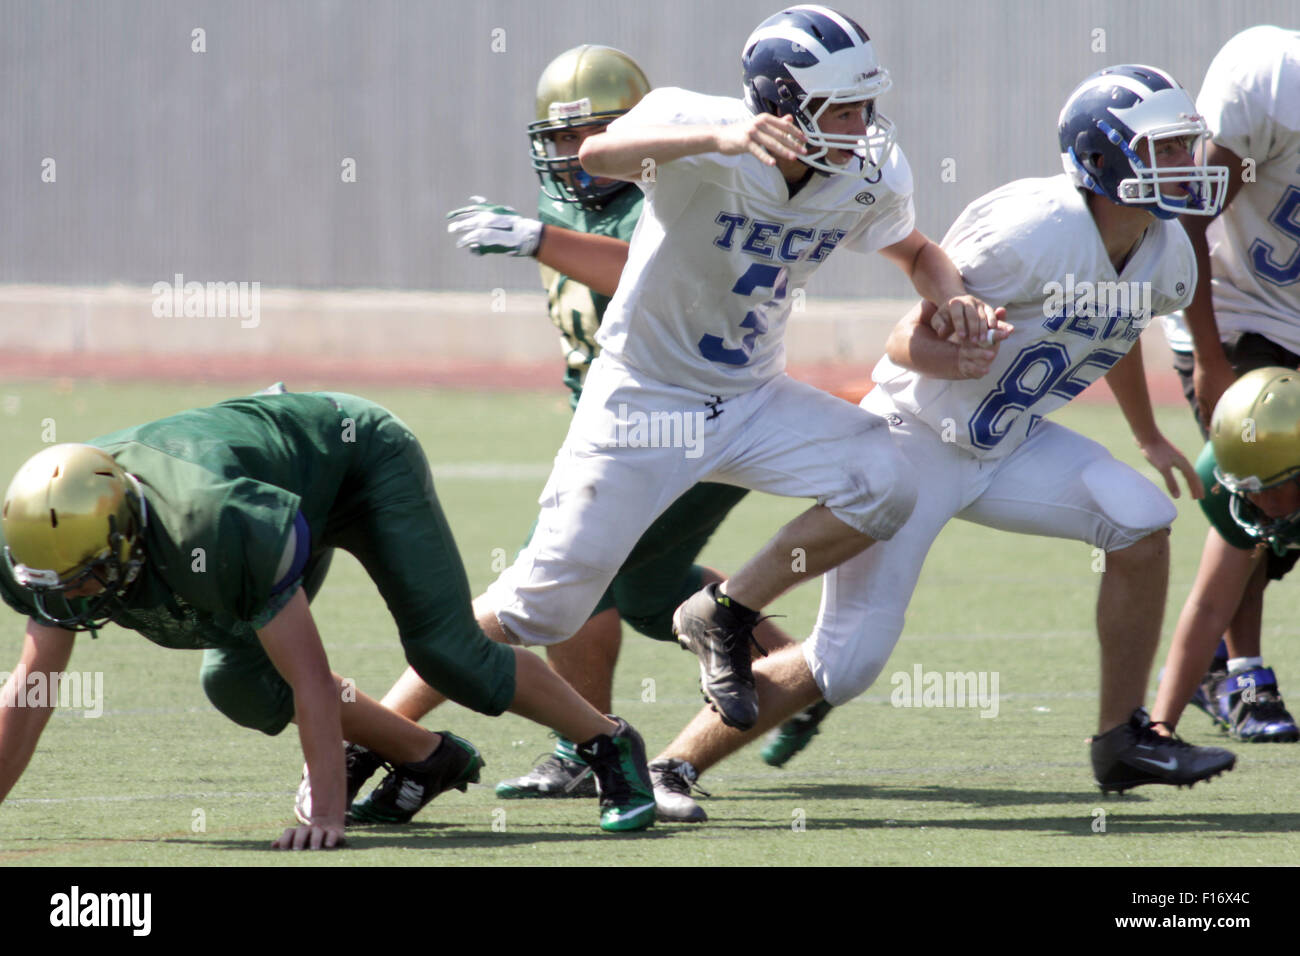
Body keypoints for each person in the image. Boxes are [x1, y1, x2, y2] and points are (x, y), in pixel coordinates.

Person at [390, 4, 999, 824]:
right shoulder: (704, 121)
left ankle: (725, 612)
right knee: (541, 607)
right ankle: (384, 728)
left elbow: (916, 249)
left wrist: (952, 296)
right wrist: (718, 139)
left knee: (888, 479)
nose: (864, 128)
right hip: (644, 396)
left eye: (866, 108)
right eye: (843, 111)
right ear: (779, 104)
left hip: (751, 395)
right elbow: (598, 151)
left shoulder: (868, 171)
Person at [647, 64, 1241, 820]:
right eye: (1166, 150)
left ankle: (1121, 740)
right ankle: (669, 766)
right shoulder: (1034, 231)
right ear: (1102, 160)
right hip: (916, 442)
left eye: (1187, 148)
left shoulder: (1167, 251)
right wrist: (951, 354)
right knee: (848, 662)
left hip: (1007, 442)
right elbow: (902, 339)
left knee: (1140, 520)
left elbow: (1115, 325)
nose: (1188, 167)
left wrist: (1147, 435)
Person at [412, 43, 826, 815]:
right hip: (626, 418)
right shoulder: (568, 202)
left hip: (701, 417)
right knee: (649, 593)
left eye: (592, 134)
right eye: (560, 138)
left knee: (583, 572)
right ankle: (795, 671)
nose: (575, 154)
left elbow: (638, 263)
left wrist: (537, 239)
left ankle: (575, 743)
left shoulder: (681, 189)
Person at [0, 390, 657, 847]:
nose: (72, 598)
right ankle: (425, 758)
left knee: (447, 653)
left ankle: (605, 741)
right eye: (54, 582)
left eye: (84, 577)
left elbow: (311, 677)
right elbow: (34, 689)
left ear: (125, 539)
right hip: (272, 492)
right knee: (235, 682)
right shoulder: (49, 547)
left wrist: (324, 810)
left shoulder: (212, 524)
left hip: (360, 462)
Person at [1157, 26, 1300, 738]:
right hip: (1236, 311)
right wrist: (1211, 360)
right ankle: (1243, 674)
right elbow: (1188, 221)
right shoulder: (1275, 77)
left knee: (1288, 516)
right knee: (1267, 489)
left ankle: (1211, 656)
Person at [1152, 367, 1300, 741]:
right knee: (1242, 566)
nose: (1257, 503)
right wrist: (1160, 726)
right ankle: (1237, 678)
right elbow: (1209, 607)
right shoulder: (1224, 482)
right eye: (1247, 489)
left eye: (1271, 487)